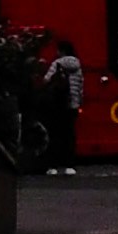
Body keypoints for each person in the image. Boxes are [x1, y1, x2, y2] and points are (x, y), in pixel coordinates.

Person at [44, 39, 85, 178]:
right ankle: (70, 166)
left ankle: (53, 166)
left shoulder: (57, 63)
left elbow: (47, 80)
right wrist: (78, 102)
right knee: (69, 135)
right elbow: (80, 87)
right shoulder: (78, 66)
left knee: (55, 134)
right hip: (72, 104)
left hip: (57, 104)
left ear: (61, 51)